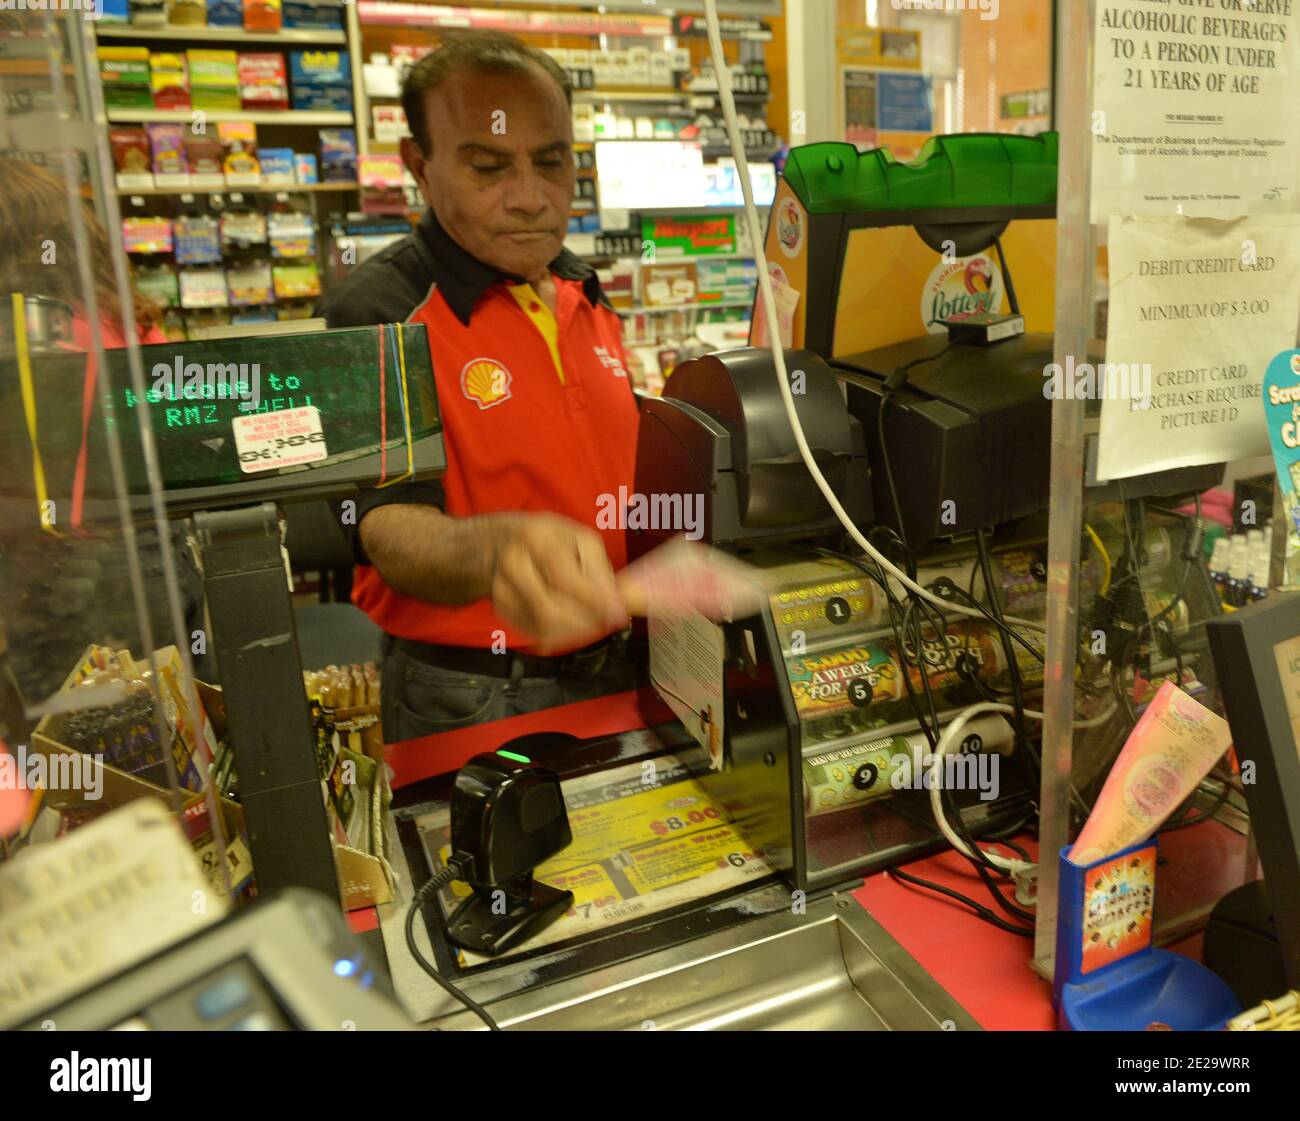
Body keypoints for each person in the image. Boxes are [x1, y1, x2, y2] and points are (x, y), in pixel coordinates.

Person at [317, 31, 645, 742]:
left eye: (551, 162)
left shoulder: (583, 286)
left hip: (623, 668)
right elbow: (386, 528)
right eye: (489, 167)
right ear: (419, 166)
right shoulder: (377, 313)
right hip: (472, 692)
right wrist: (500, 550)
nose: (530, 198)